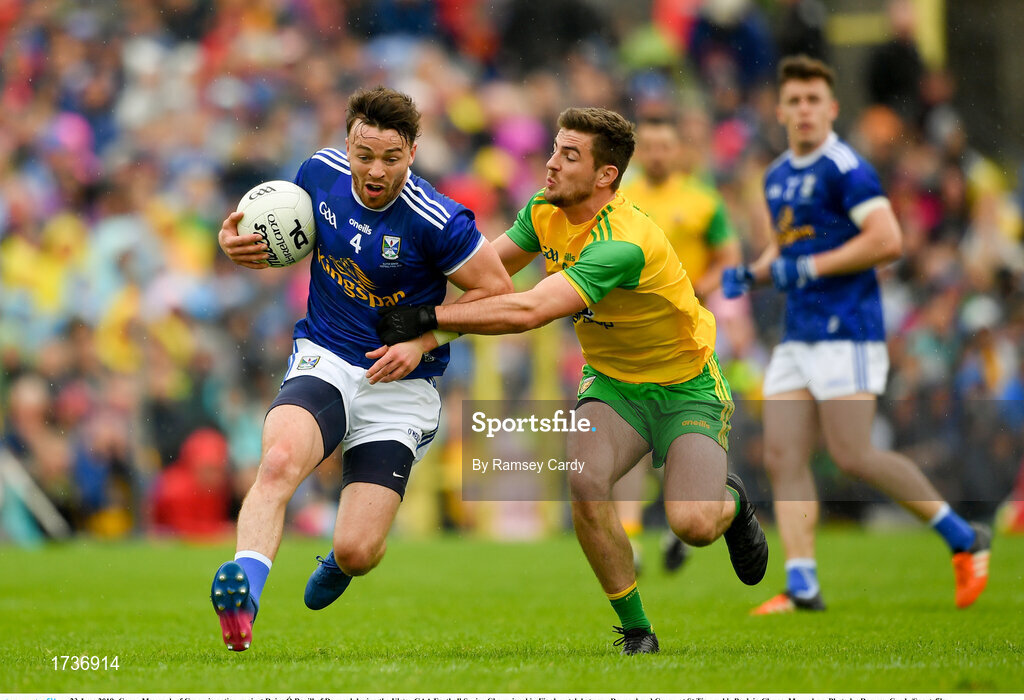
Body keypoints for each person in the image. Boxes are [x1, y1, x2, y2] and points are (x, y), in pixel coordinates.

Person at [376, 107, 769, 654]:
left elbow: (529, 311)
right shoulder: (543, 209)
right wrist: (418, 325)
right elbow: (485, 276)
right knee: (584, 483)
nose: (551, 164)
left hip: (686, 387)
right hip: (612, 384)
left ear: (605, 175)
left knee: (693, 524)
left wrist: (428, 319)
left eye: (570, 155)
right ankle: (637, 632)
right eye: (555, 149)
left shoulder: (622, 243)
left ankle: (732, 504)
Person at [211, 86, 513, 651]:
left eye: (390, 158)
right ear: (346, 141)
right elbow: (276, 231)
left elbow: (498, 293)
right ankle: (244, 595)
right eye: (363, 153)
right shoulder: (317, 173)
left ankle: (342, 563)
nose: (374, 170)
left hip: (400, 387)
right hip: (325, 356)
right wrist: (235, 243)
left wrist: (425, 340)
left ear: (414, 152)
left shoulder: (438, 221)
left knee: (358, 550)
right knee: (277, 463)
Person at [719, 55, 990, 614]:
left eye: (813, 99)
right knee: (781, 453)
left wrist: (811, 269)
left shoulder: (847, 168)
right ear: (780, 109)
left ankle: (964, 536)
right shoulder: (776, 175)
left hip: (848, 329)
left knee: (854, 453)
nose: (804, 110)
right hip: (799, 331)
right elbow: (790, 247)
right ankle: (803, 586)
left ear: (832, 107)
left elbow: (887, 239)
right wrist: (757, 271)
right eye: (794, 100)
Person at [617, 115, 743, 573]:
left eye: (663, 145)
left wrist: (698, 287)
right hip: (637, 335)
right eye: (647, 146)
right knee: (630, 435)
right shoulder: (621, 199)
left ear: (678, 151)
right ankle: (630, 535)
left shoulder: (702, 201)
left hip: (692, 333)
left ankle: (682, 528)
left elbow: (730, 257)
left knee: (682, 432)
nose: (655, 154)